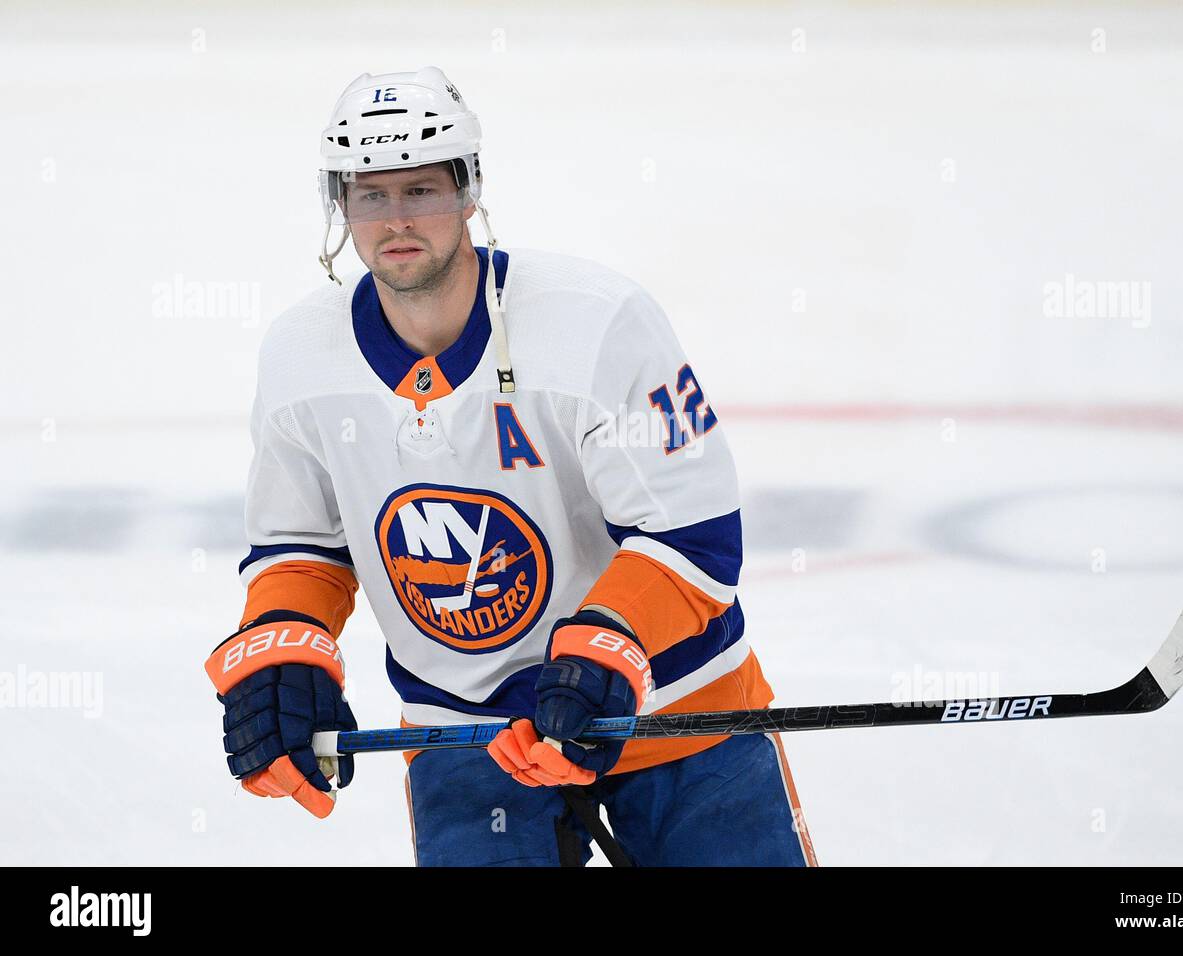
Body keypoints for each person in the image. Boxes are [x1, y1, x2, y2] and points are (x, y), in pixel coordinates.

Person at [203, 66, 816, 866]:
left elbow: (693, 533)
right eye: (370, 195)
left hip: (673, 712)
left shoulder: (595, 325)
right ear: (339, 206)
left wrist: (605, 642)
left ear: (469, 190)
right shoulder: (300, 358)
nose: (396, 220)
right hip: (467, 732)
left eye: (420, 189)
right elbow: (301, 545)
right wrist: (284, 639)